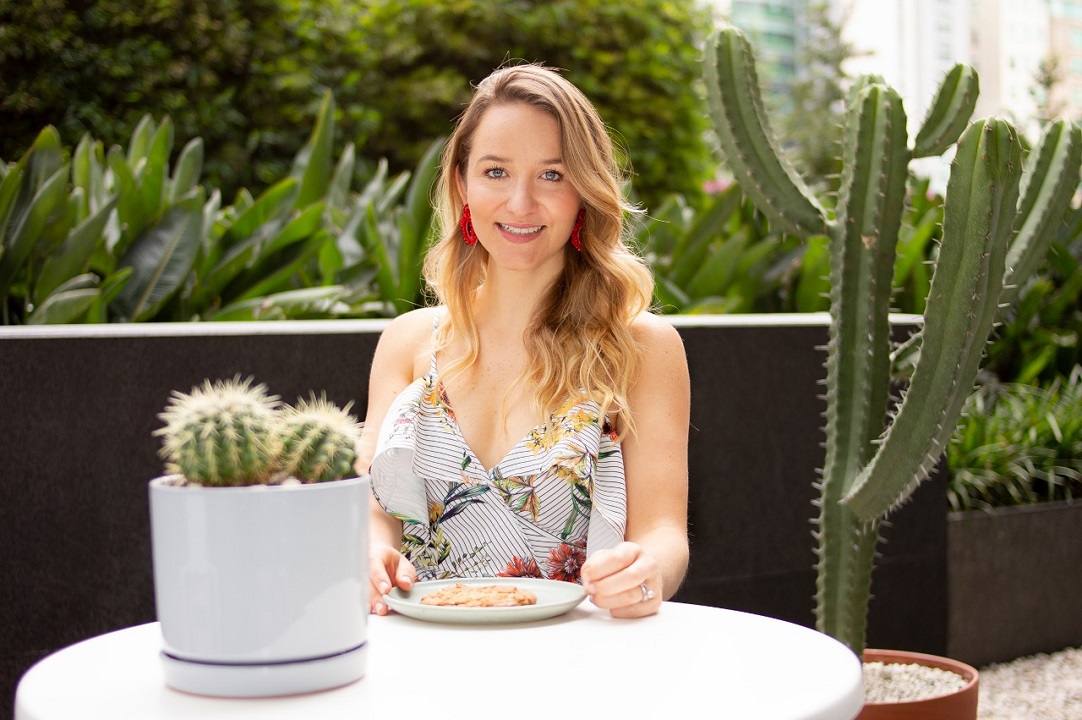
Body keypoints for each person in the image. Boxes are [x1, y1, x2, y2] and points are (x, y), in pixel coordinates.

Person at [357, 63, 690, 619]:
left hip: (574, 663)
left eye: (552, 175)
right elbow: (372, 508)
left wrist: (646, 569)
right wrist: (370, 551)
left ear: (585, 191)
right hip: (418, 657)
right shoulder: (408, 342)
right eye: (495, 172)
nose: (519, 203)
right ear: (462, 184)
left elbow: (663, 532)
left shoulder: (642, 348)